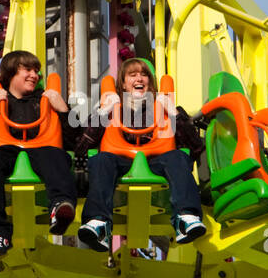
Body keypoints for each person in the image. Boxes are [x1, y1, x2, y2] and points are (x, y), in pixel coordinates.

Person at [78, 57, 206, 252]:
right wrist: (104, 112)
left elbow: (196, 147)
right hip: (119, 164)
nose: (140, 78)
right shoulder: (111, 108)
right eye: (133, 74)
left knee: (178, 157)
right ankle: (98, 222)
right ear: (123, 83)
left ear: (151, 83)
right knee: (101, 159)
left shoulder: (163, 109)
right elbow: (82, 147)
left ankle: (186, 218)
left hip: (156, 162)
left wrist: (174, 113)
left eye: (144, 74)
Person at [0, 50, 77, 255]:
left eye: (37, 71)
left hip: (41, 149)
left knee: (56, 156)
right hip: (5, 150)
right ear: (11, 73)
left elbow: (77, 142)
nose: (34, 75)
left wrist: (65, 111)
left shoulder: (48, 101)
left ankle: (60, 207)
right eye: (28, 70)